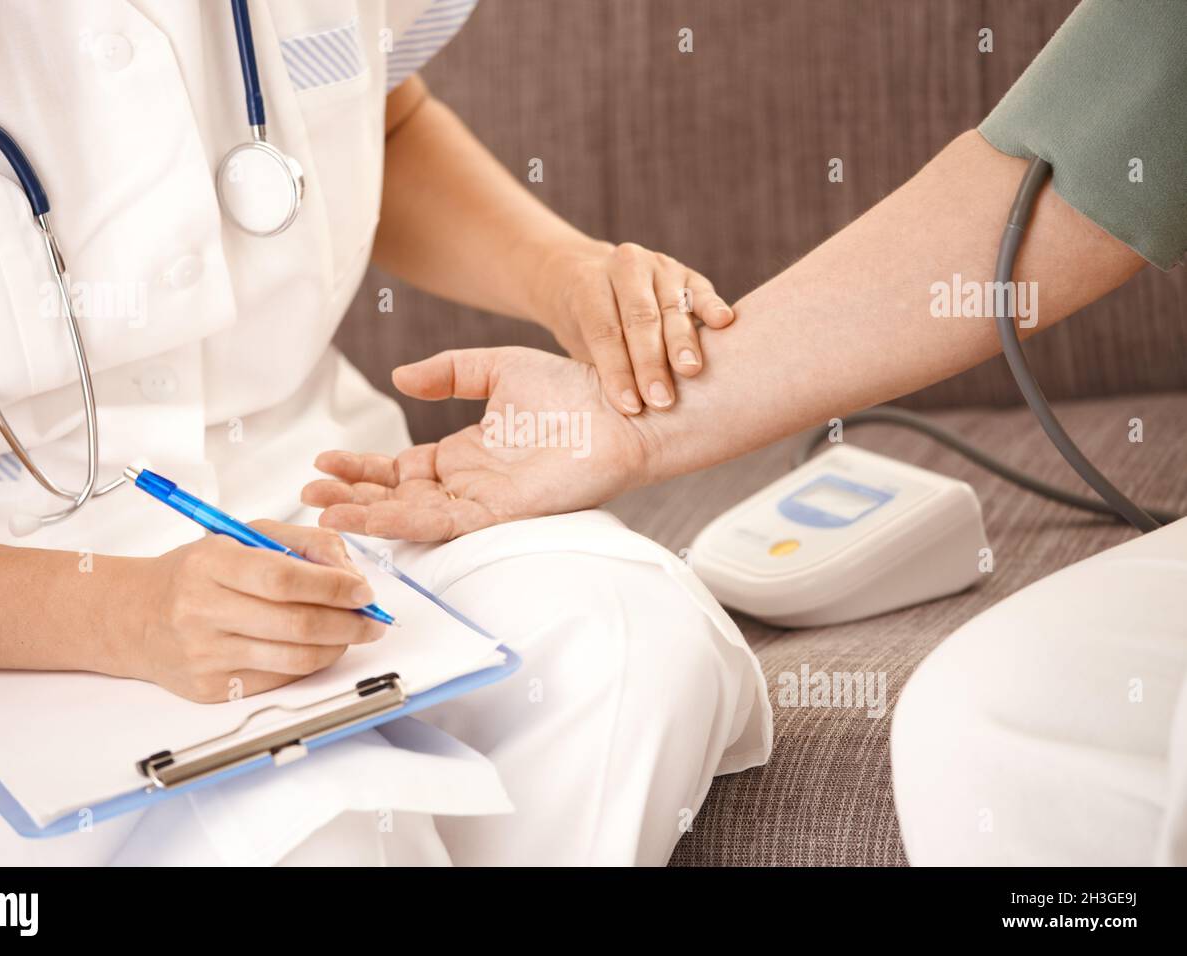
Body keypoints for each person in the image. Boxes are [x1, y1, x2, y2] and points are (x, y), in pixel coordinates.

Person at [0, 0, 771, 866]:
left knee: (630, 643)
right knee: (324, 834)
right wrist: (119, 617)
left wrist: (561, 272)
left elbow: (375, 123)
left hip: (332, 486)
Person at [309, 0, 1187, 864]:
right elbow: (1088, 141)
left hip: (329, 485)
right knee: (994, 731)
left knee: (638, 641)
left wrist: (600, 340)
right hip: (265, 503)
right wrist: (636, 418)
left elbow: (1117, 122)